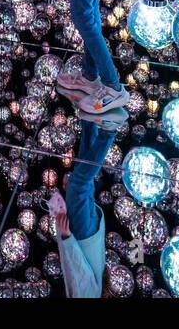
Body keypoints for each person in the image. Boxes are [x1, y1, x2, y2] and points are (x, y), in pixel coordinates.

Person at [48, 109, 125, 298]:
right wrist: (67, 239)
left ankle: (90, 114)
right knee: (79, 184)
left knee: (82, 176)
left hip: (88, 235)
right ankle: (110, 130)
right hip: (81, 237)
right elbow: (80, 273)